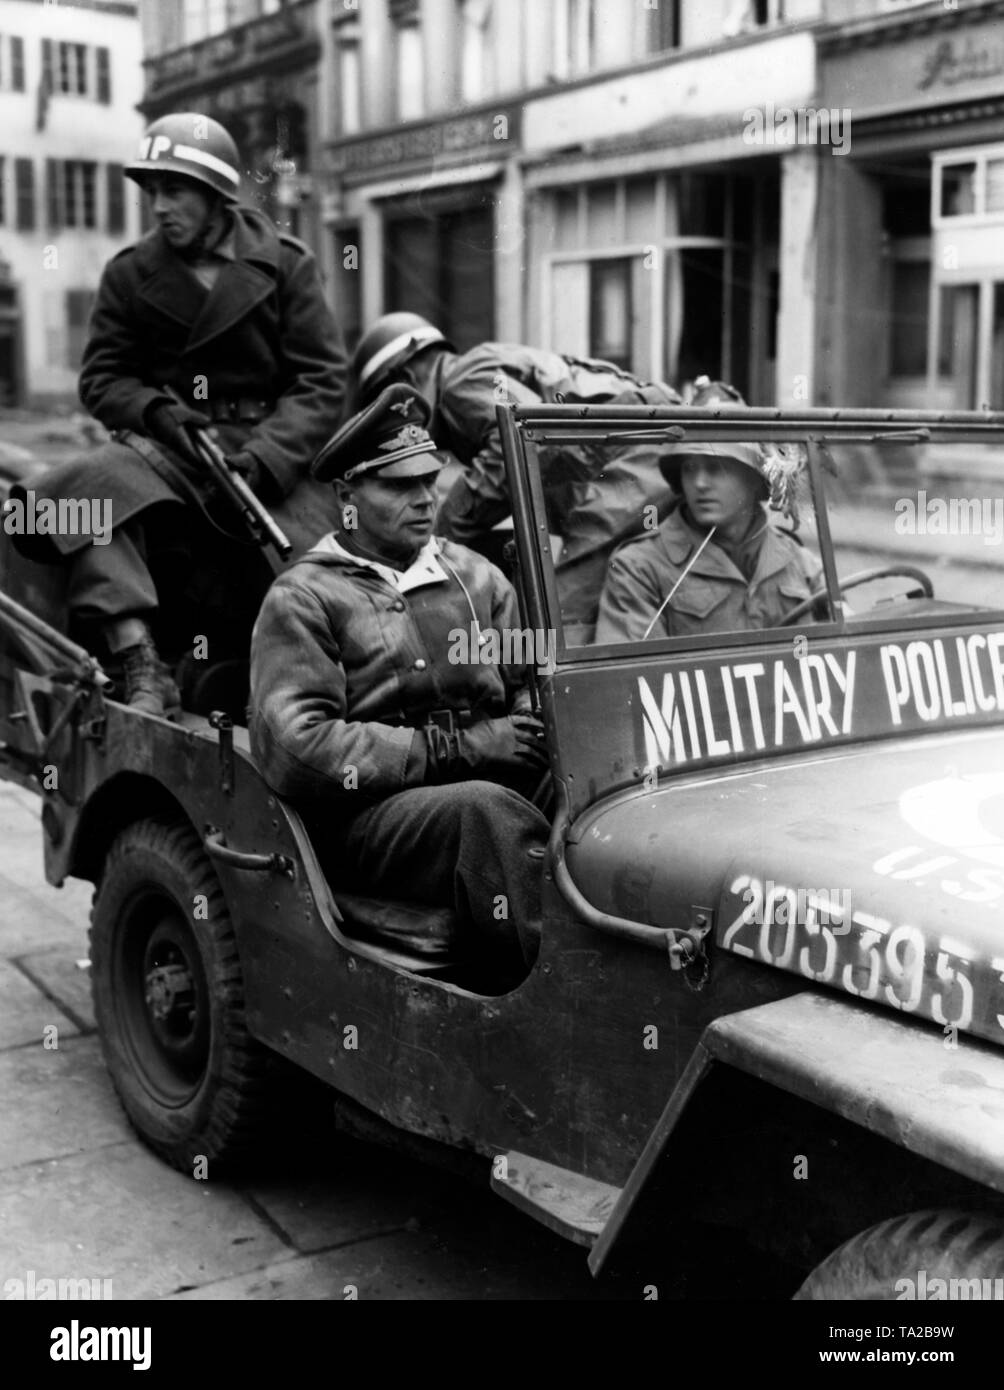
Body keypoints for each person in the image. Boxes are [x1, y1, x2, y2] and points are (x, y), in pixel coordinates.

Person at [9, 112, 347, 716]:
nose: (160, 206)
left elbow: (322, 381)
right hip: (168, 452)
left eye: (176, 190)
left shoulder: (285, 264)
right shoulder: (131, 273)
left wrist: (268, 458)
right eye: (153, 192)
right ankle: (140, 660)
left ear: (216, 197)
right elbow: (103, 379)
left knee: (321, 575)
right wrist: (159, 413)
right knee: (87, 496)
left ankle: (310, 696)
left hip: (267, 455)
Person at [249, 383, 551, 971]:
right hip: (371, 818)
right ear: (347, 496)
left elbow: (533, 679)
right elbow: (298, 748)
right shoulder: (304, 596)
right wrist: (456, 748)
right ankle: (555, 993)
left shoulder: (476, 575)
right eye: (398, 484)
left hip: (487, 781)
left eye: (428, 479)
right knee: (483, 810)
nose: (425, 498)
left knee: (594, 792)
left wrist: (532, 720)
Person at [350, 313, 682, 640]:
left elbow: (520, 439)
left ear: (406, 376)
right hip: (643, 451)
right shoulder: (479, 370)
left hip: (640, 451)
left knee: (560, 623)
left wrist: (442, 531)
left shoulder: (459, 382)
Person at [595, 436, 824, 643]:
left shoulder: (798, 560)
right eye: (689, 468)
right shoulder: (638, 567)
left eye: (716, 467)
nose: (699, 483)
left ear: (754, 480)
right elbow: (634, 678)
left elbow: (848, 646)